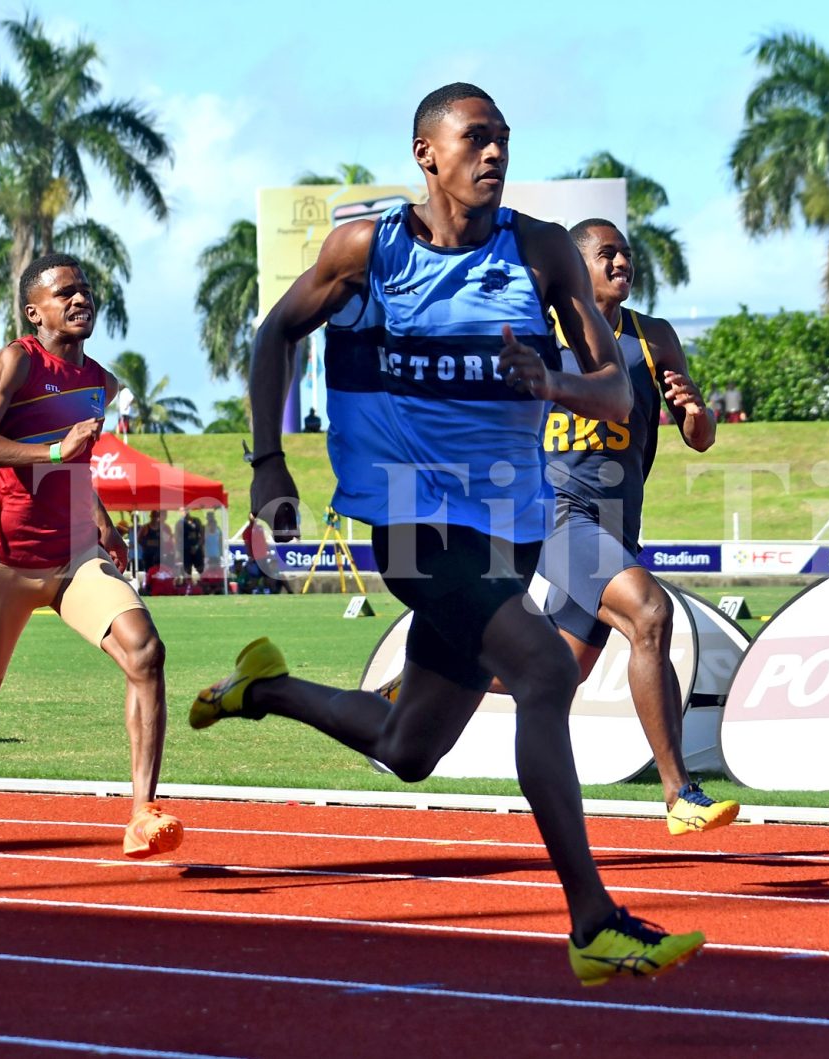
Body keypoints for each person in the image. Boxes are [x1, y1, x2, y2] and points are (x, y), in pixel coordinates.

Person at [194, 83, 703, 985]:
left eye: (504, 139)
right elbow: (275, 335)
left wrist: (549, 384)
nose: (495, 154)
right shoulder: (370, 247)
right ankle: (593, 921)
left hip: (503, 520)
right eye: (476, 138)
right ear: (426, 153)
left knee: (410, 749)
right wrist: (268, 461)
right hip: (405, 520)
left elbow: (615, 393)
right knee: (545, 668)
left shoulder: (542, 251)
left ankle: (262, 689)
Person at [0, 252, 182, 861]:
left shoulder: (98, 380)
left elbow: (80, 466)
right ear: (33, 310)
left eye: (85, 289)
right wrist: (49, 450)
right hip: (7, 561)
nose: (80, 299)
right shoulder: (16, 361)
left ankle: (141, 813)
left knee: (146, 652)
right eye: (65, 292)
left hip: (74, 556)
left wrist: (102, 525)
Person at [529, 218, 738, 834]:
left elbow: (699, 438)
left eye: (626, 253)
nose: (622, 262)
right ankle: (680, 795)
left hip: (618, 522)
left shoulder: (653, 337)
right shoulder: (542, 333)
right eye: (607, 253)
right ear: (575, 263)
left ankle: (430, 673)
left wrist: (697, 412)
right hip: (559, 513)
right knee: (649, 612)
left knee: (550, 669)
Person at [180, 510, 204, 583]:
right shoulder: (180, 523)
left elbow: (202, 535)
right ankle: (187, 586)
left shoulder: (197, 521)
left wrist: (197, 546)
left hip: (197, 549)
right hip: (186, 550)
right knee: (187, 569)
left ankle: (201, 585)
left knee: (200, 568)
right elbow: (177, 538)